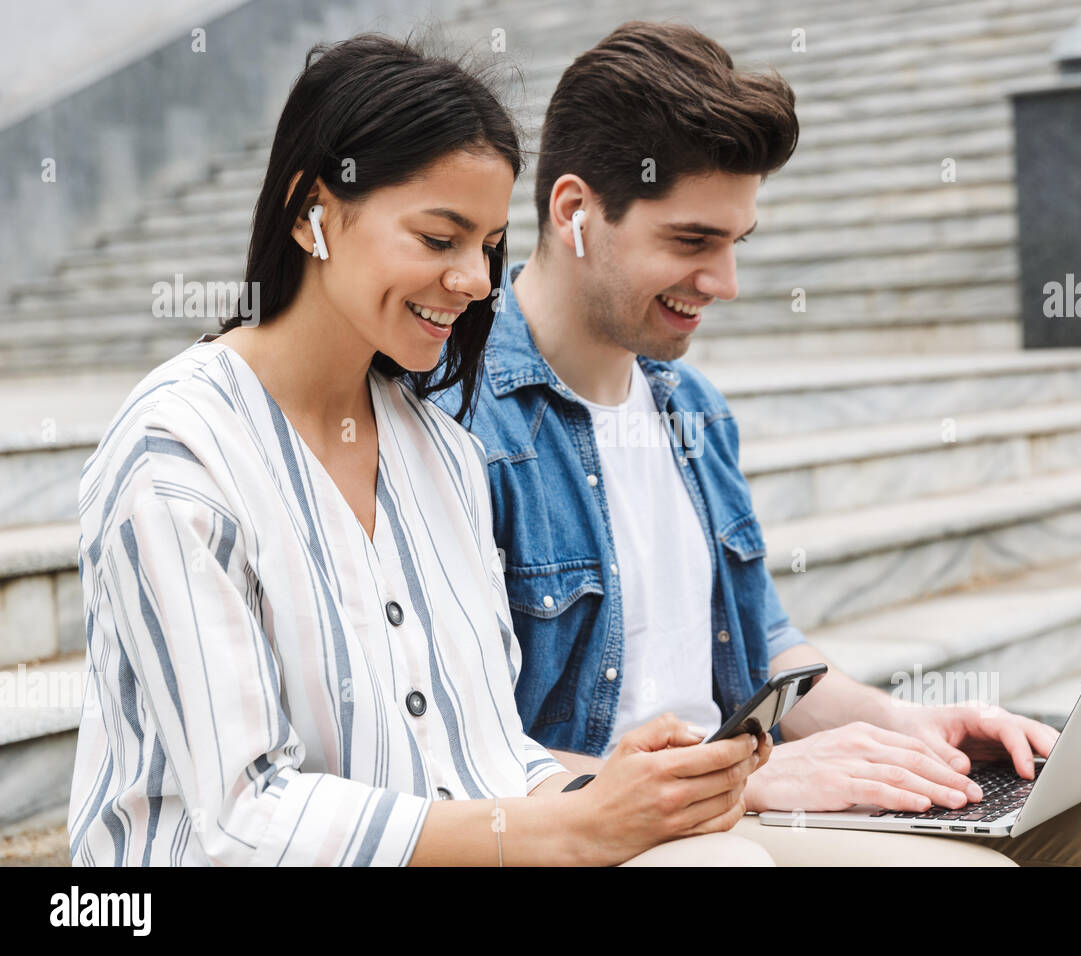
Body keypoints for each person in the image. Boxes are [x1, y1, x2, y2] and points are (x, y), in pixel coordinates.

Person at [437, 20, 1081, 866]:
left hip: (744, 790)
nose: (725, 284)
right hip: (617, 818)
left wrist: (909, 725)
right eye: (692, 241)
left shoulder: (689, 407)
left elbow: (768, 649)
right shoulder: (462, 419)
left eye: (737, 244)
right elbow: (456, 745)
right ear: (575, 212)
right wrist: (736, 783)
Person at [68, 32, 773, 867]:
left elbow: (488, 756)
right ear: (311, 212)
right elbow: (246, 815)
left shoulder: (442, 449)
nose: (476, 280)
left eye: (486, 246)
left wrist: (615, 789)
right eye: (440, 240)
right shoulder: (178, 449)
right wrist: (571, 829)